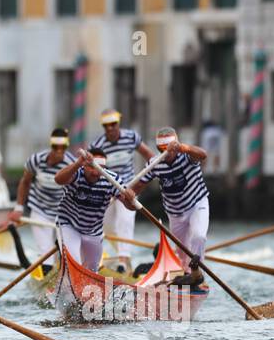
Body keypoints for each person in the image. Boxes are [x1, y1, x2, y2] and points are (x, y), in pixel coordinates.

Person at [129, 128, 210, 286]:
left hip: (197, 204)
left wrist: (183, 147)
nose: (167, 154)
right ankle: (186, 274)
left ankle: (197, 274)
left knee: (199, 237)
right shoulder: (155, 164)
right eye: (162, 150)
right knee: (182, 254)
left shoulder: (187, 156)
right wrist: (129, 195)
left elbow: (203, 155)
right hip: (175, 214)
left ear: (176, 145)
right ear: (159, 149)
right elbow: (136, 187)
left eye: (170, 149)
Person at [89, 108, 155, 248]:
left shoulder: (131, 137)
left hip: (128, 187)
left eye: (113, 124)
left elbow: (150, 156)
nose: (110, 128)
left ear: (118, 123)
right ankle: (122, 257)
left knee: (124, 221)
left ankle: (123, 260)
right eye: (106, 125)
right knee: (107, 227)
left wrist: (149, 176)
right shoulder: (97, 146)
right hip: (107, 191)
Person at [8, 127, 75, 259]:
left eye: (63, 148)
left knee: (66, 253)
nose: (59, 152)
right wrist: (18, 208)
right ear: (51, 146)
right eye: (56, 148)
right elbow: (25, 182)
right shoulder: (36, 160)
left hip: (62, 213)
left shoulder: (72, 164)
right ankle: (47, 268)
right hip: (40, 210)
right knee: (46, 252)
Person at [53, 148, 125, 271]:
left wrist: (129, 197)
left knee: (92, 270)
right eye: (92, 167)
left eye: (99, 168)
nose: (95, 172)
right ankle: (68, 274)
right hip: (69, 224)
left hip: (93, 230)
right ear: (85, 165)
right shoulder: (76, 173)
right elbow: (58, 179)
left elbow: (130, 206)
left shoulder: (112, 179)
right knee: (73, 264)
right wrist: (77, 163)